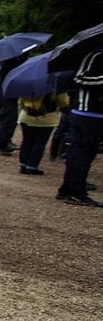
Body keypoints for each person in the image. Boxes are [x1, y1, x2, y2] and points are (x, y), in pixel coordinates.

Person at [56, 49, 103, 206]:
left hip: (96, 115)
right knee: (82, 154)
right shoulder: (96, 55)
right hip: (85, 113)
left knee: (83, 154)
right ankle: (75, 192)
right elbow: (80, 78)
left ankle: (68, 190)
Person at [17, 91, 69, 175]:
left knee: (26, 141)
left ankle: (23, 165)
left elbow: (20, 101)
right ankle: (32, 166)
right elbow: (64, 103)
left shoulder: (28, 84)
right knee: (39, 143)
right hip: (47, 119)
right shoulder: (55, 86)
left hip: (26, 116)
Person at [0, 55, 25, 155]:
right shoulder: (12, 64)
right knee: (6, 121)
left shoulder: (7, 63)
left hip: (3, 95)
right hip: (6, 96)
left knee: (3, 120)